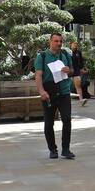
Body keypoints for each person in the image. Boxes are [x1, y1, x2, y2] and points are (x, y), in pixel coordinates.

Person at [34, 32, 77, 160]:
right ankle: (52, 149)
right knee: (49, 122)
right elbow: (38, 75)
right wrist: (41, 91)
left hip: (64, 92)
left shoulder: (65, 55)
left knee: (67, 119)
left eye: (60, 41)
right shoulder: (42, 56)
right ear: (50, 41)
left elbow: (73, 71)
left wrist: (69, 71)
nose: (58, 43)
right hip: (49, 93)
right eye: (56, 41)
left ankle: (65, 149)